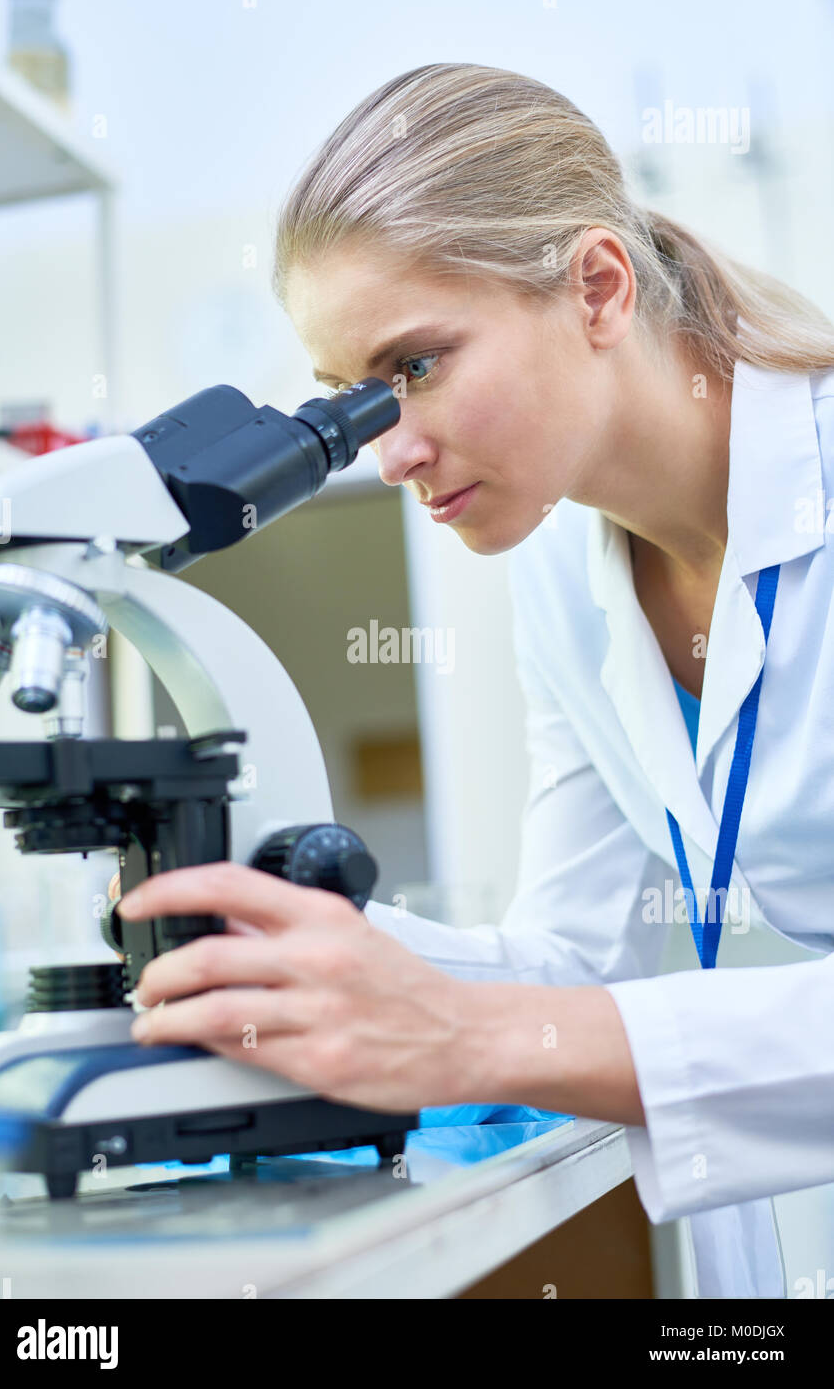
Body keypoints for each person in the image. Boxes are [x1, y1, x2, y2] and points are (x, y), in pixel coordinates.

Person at [114, 63, 834, 1299]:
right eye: (356, 399)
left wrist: (474, 1033)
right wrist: (304, 948)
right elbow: (574, 961)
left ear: (598, 287)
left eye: (418, 367)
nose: (388, 453)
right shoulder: (562, 576)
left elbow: (534, 1023)